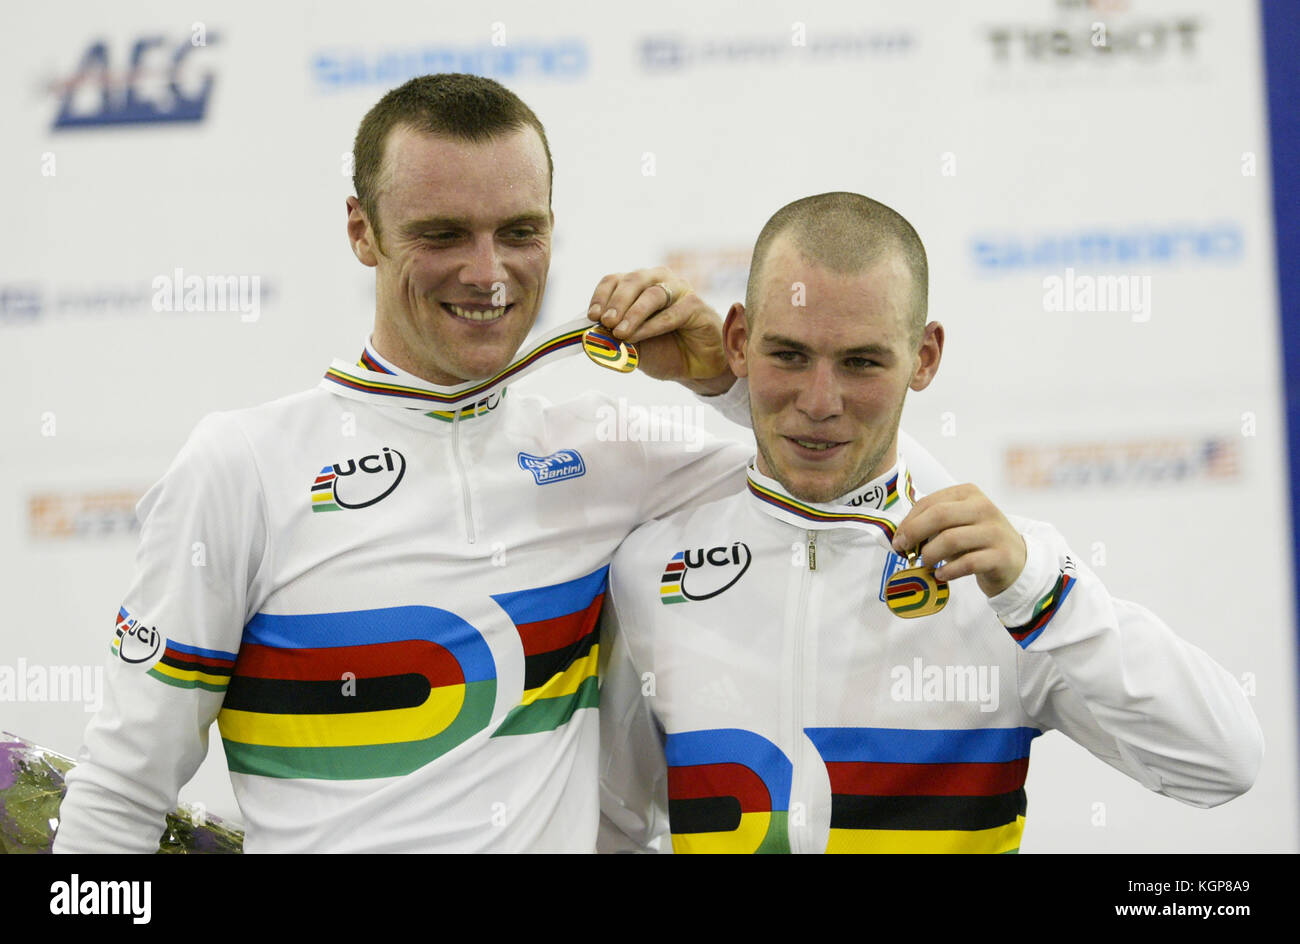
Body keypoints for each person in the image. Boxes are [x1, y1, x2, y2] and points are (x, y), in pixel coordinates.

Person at [51, 75, 953, 853]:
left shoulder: (607, 451)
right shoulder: (241, 468)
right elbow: (123, 790)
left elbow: (857, 480)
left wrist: (720, 375)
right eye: (443, 233)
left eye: (519, 231)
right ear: (362, 232)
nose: (488, 272)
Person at [597, 192, 1264, 854]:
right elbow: (615, 830)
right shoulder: (652, 569)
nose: (820, 402)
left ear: (925, 357)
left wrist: (1043, 594)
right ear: (737, 342)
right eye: (789, 356)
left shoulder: (1008, 587)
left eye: (862, 362)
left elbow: (1222, 763)